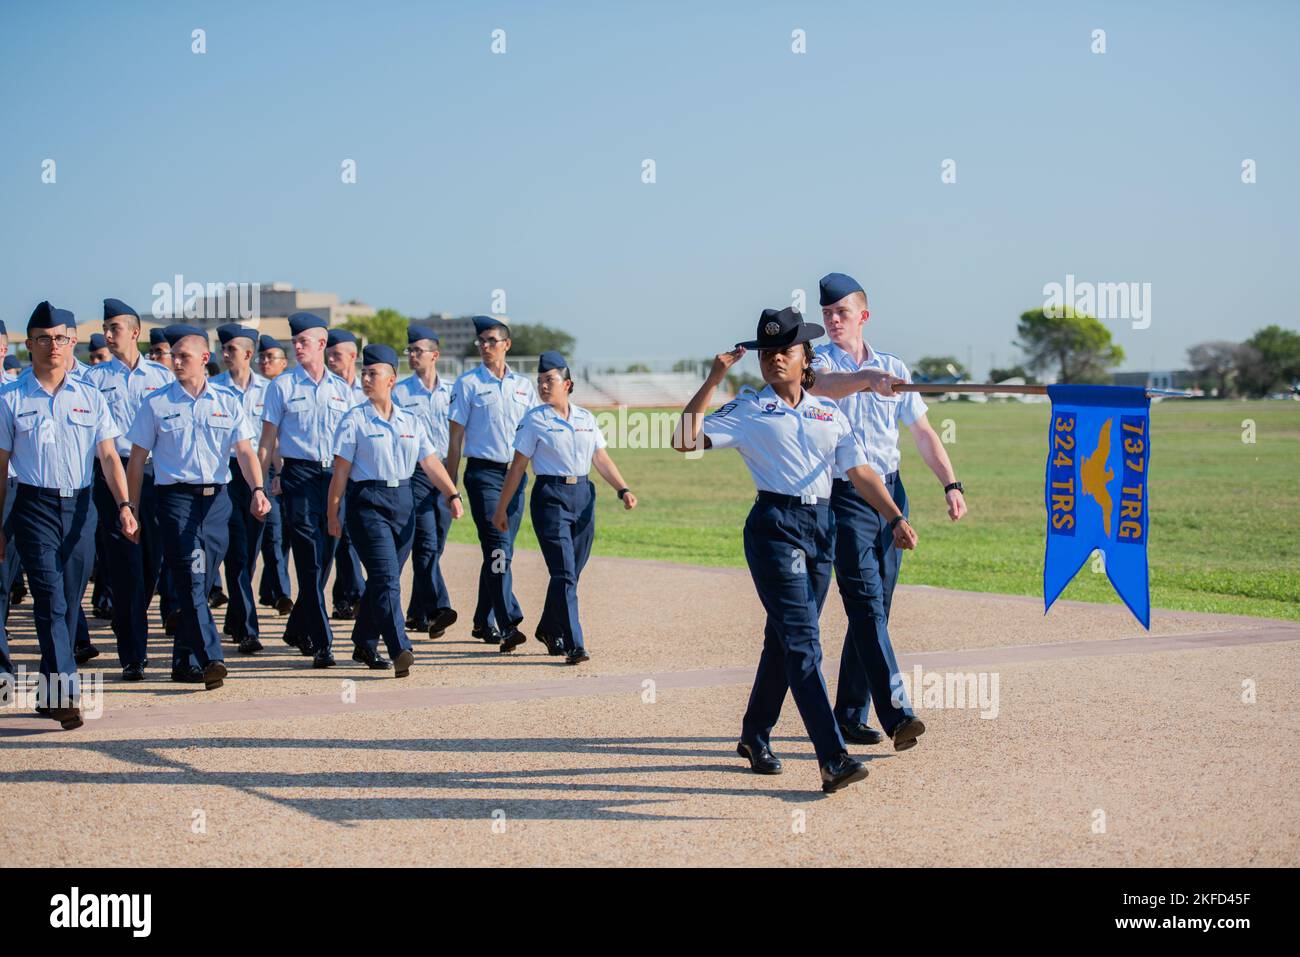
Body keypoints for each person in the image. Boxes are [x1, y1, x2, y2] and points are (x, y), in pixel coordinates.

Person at [671, 307, 917, 793]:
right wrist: (714, 378)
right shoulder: (749, 409)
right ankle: (833, 758)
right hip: (775, 528)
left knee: (783, 641)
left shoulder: (828, 412)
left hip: (821, 527)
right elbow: (683, 440)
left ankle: (754, 734)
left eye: (785, 350)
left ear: (806, 356)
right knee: (805, 642)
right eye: (767, 353)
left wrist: (895, 516)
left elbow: (859, 471)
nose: (774, 359)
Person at [810, 272, 965, 751]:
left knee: (877, 610)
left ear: (864, 316)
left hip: (892, 495)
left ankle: (850, 715)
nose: (833, 320)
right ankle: (898, 715)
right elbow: (823, 387)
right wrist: (866, 380)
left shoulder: (893, 366)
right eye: (827, 313)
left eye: (842, 312)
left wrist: (950, 484)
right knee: (866, 605)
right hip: (845, 496)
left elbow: (923, 433)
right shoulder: (817, 362)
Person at [0, 302, 137, 729]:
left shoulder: (89, 395)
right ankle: (64, 694)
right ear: (29, 344)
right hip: (33, 506)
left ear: (72, 341)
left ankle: (47, 694)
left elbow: (109, 456)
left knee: (69, 602)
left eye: (60, 338)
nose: (53, 345)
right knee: (50, 599)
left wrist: (125, 505)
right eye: (43, 338)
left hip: (80, 508)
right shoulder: (11, 397)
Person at [124, 324, 269, 692]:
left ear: (204, 358)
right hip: (176, 501)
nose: (175, 362)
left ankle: (183, 661)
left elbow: (246, 451)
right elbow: (137, 461)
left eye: (183, 356)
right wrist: (130, 507)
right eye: (173, 356)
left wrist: (257, 489)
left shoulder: (227, 401)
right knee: (191, 576)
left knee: (200, 583)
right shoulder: (157, 403)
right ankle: (210, 657)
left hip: (217, 502)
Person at [326, 344, 463, 676]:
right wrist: (333, 513)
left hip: (403, 501)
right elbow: (340, 472)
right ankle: (400, 647)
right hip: (367, 503)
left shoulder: (410, 420)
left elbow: (430, 462)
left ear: (391, 379)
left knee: (383, 581)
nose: (365, 378)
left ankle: (364, 641)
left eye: (373, 373)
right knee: (387, 579)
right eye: (364, 373)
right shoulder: (354, 419)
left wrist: (452, 493)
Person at [493, 351, 636, 663]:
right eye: (540, 381)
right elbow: (517, 467)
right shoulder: (534, 420)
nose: (543, 386)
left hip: (583, 496)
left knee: (571, 573)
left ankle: (548, 627)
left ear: (567, 384)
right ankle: (574, 643)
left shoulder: (586, 418)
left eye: (550, 380)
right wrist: (501, 508)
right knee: (564, 572)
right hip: (551, 498)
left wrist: (622, 489)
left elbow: (600, 457)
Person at [83, 298, 174, 681]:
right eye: (105, 328)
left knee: (152, 562)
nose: (107, 334)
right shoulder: (94, 379)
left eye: (114, 328)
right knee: (125, 565)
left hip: (153, 476)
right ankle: (133, 654)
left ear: (135, 333)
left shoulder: (162, 377)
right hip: (111, 474)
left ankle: (130, 619)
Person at [258, 312, 354, 668]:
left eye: (303, 341)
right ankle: (322, 642)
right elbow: (267, 440)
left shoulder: (342, 390)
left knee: (326, 556)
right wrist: (261, 485)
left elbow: (351, 442)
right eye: (294, 341)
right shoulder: (282, 386)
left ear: (321, 344)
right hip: (299, 476)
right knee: (309, 559)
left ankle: (297, 627)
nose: (297, 347)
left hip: (334, 478)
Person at [444, 316, 538, 647]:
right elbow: (455, 439)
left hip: (516, 476)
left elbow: (535, 432)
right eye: (481, 341)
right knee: (498, 548)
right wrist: (450, 487)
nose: (485, 346)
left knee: (500, 551)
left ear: (506, 345)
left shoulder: (524, 386)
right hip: (483, 474)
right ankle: (508, 621)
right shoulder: (467, 384)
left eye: (491, 341)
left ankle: (482, 621)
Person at [392, 324, 456, 637]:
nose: (413, 355)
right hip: (416, 472)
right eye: (410, 350)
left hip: (444, 471)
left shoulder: (453, 392)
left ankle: (417, 613)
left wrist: (452, 482)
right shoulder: (400, 392)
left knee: (435, 545)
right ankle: (437, 609)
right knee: (427, 543)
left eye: (419, 350)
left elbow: (458, 435)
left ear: (435, 355)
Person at [210, 324, 270, 654]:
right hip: (227, 473)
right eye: (223, 348)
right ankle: (248, 629)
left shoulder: (268, 390)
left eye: (231, 348)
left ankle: (235, 617)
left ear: (248, 353)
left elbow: (273, 437)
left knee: (251, 553)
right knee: (236, 551)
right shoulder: (214, 388)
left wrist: (272, 477)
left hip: (258, 473)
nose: (225, 353)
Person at [324, 328, 366, 621]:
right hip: (334, 469)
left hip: (361, 472)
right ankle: (353, 595)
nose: (330, 359)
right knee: (339, 532)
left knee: (352, 534)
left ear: (352, 356)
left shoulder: (368, 389)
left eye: (336, 354)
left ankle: (346, 597)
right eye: (328, 354)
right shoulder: (326, 389)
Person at [255, 334, 293, 613]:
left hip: (283, 465)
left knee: (281, 531)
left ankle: (273, 590)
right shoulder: (256, 389)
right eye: (262, 357)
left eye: (271, 357)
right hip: (258, 465)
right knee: (271, 530)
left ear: (284, 362)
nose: (265, 361)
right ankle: (278, 591)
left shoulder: (288, 388)